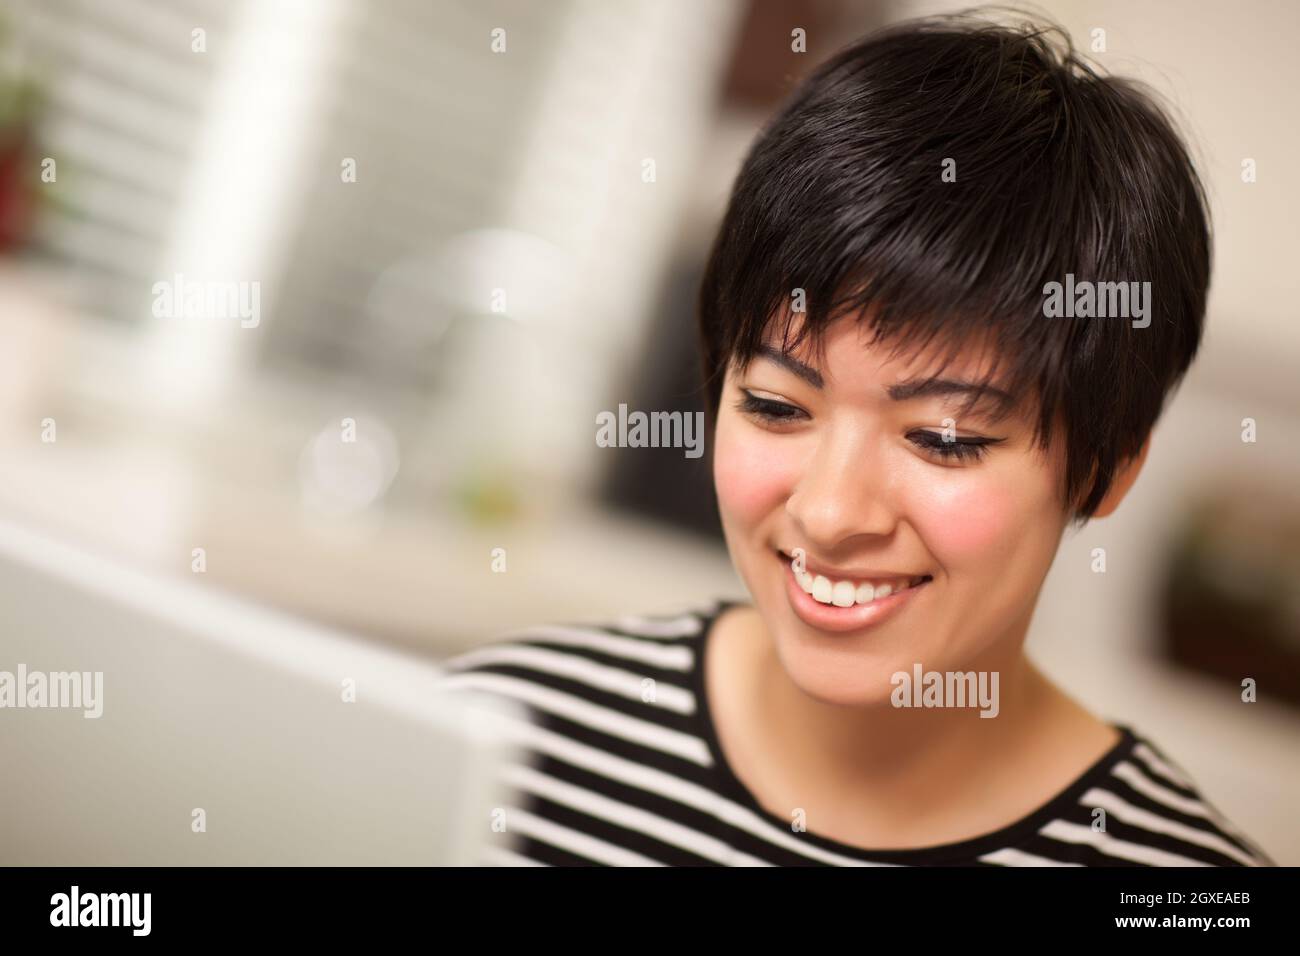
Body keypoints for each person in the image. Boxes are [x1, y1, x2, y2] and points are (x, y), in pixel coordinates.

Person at [438, 10, 1275, 867]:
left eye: (944, 440)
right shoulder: (497, 740)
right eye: (775, 406)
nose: (833, 514)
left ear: (1108, 468)